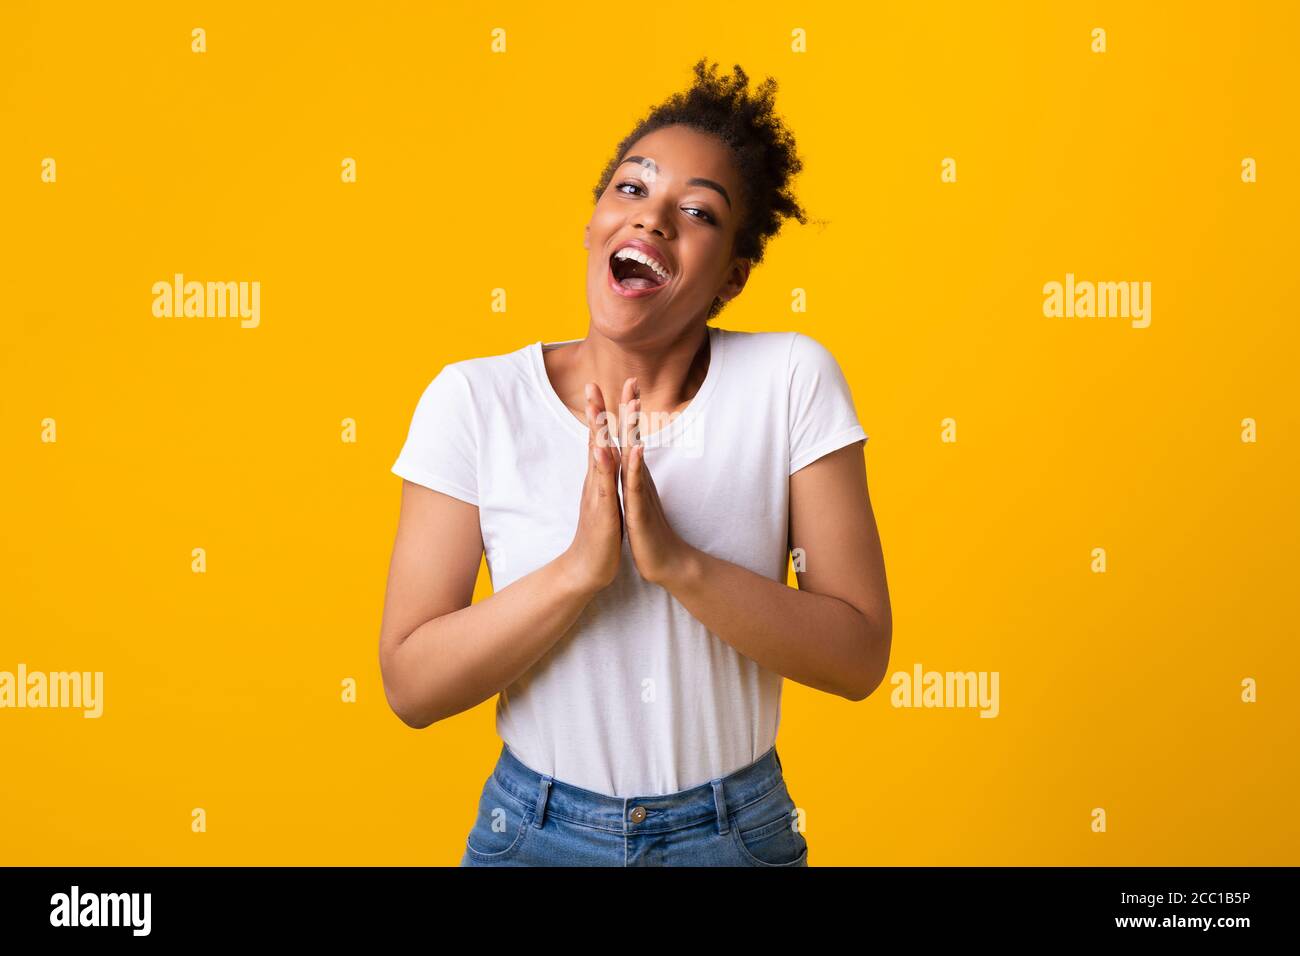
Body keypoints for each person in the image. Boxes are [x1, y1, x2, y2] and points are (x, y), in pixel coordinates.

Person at [379, 59, 891, 866]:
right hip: (535, 833)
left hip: (734, 834)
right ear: (591, 226)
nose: (653, 219)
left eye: (697, 212)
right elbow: (411, 685)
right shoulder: (474, 400)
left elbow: (859, 655)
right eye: (631, 189)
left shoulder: (791, 381)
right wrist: (582, 569)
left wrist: (677, 564)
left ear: (732, 279)